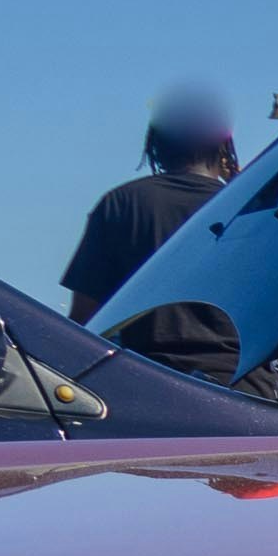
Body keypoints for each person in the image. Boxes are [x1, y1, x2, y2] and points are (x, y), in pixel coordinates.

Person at [58, 86, 239, 373]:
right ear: (223, 148)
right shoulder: (252, 206)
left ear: (156, 145)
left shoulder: (121, 202)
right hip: (245, 384)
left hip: (147, 381)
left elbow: (86, 319)